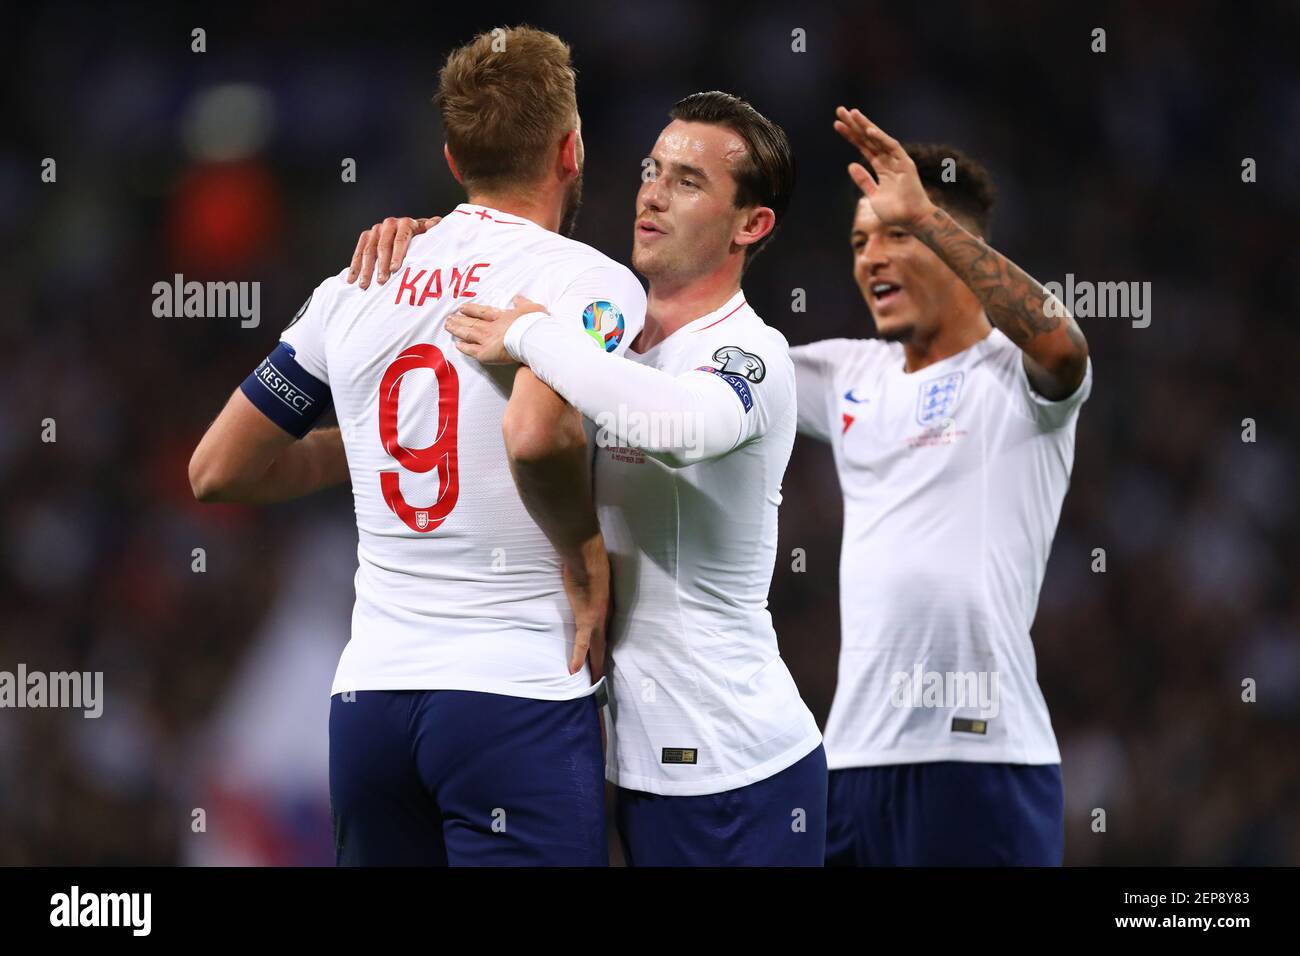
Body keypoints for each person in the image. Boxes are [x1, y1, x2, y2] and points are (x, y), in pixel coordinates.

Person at [188, 26, 646, 866]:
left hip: (371, 707)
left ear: (451, 157)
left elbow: (217, 469)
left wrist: (356, 441)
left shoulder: (357, 282)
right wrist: (584, 557)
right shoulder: (592, 281)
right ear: (571, 148)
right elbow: (541, 431)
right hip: (516, 696)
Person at [443, 92, 827, 866]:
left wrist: (528, 332)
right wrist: (427, 238)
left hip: (735, 771)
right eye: (653, 170)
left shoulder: (751, 354)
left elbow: (678, 429)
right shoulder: (603, 341)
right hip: (629, 768)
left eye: (688, 181)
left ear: (750, 225)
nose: (651, 191)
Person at [790, 108, 1091, 865]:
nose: (870, 258)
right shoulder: (847, 374)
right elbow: (698, 369)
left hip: (984, 758)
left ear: (959, 246)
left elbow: (1064, 347)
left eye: (896, 235)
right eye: (860, 242)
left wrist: (925, 212)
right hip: (854, 764)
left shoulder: (1013, 376)